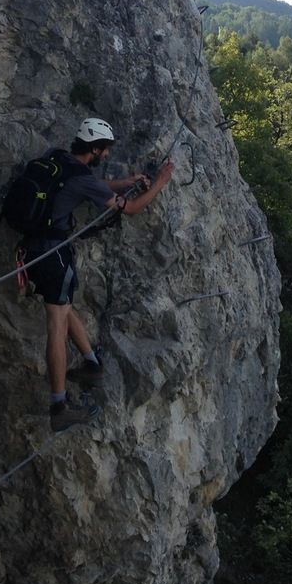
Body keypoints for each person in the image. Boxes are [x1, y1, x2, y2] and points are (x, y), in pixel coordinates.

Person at [23, 117, 174, 431]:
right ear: (94, 148)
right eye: (104, 151)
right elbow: (130, 209)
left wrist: (127, 180)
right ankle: (59, 405)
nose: (105, 156)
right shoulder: (82, 177)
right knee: (56, 322)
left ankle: (91, 364)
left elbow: (91, 186)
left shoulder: (58, 158)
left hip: (33, 249)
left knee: (63, 307)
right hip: (54, 254)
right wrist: (159, 183)